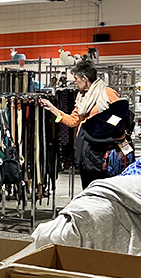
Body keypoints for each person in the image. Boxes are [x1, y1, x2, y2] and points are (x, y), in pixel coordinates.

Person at [39, 60, 119, 189]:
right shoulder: (82, 97)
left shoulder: (108, 94)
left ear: (85, 78)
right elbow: (72, 121)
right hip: (85, 149)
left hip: (103, 149)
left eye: (76, 79)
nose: (75, 82)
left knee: (103, 187)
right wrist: (53, 109)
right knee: (87, 187)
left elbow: (120, 118)